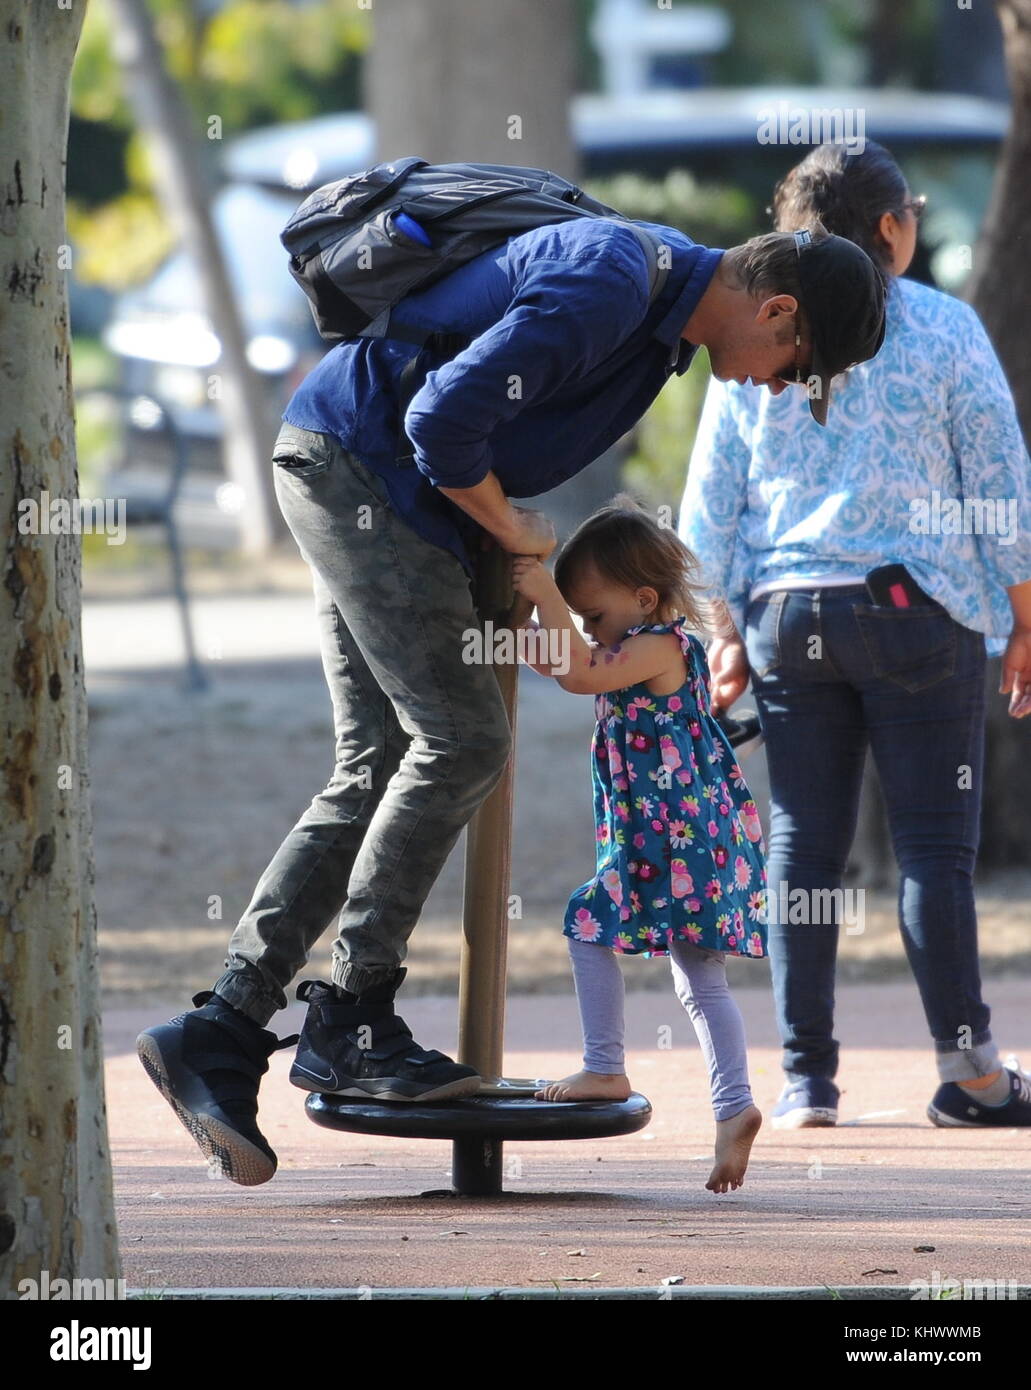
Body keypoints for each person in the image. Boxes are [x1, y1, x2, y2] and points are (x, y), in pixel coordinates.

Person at [137, 207, 885, 1186]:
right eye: (792, 370)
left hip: (350, 466)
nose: (775, 390)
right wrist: (514, 531)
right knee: (459, 740)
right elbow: (439, 419)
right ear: (777, 312)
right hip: (364, 470)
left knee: (377, 767)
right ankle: (352, 1015)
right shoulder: (617, 280)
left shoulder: (655, 311)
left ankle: (221, 1032)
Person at [679, 141, 1031, 1132]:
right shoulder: (945, 327)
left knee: (801, 847)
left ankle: (804, 1081)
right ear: (889, 230)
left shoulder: (760, 322)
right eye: (910, 213)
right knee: (929, 852)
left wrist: (720, 629)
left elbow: (710, 503)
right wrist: (1020, 618)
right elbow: (997, 480)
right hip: (919, 611)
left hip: (788, 614)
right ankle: (968, 1071)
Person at [511, 496, 767, 1192]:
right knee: (698, 976)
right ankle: (733, 1106)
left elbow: (577, 674)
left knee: (587, 924)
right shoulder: (630, 642)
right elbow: (555, 658)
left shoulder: (657, 647)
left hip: (669, 835)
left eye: (592, 615)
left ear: (644, 598)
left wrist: (544, 599)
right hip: (683, 837)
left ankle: (604, 1065)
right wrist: (537, 614)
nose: (586, 629)